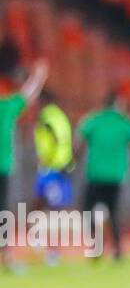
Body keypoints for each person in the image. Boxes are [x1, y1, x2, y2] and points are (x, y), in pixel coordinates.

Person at [76, 90, 130, 262]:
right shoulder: (125, 122)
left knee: (88, 211)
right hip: (116, 175)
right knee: (114, 213)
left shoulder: (93, 120)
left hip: (95, 174)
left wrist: (71, 161)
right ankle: (118, 249)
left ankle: (97, 247)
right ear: (119, 103)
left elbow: (81, 143)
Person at [0, 59, 48, 270]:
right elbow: (28, 95)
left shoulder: (7, 106)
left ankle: (6, 255)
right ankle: (6, 256)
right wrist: (39, 77)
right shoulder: (7, 107)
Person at [32, 88, 74, 264]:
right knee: (40, 204)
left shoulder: (46, 117)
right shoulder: (60, 115)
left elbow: (56, 139)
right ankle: (37, 239)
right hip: (60, 167)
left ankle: (52, 250)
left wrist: (47, 158)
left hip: (53, 169)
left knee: (54, 211)